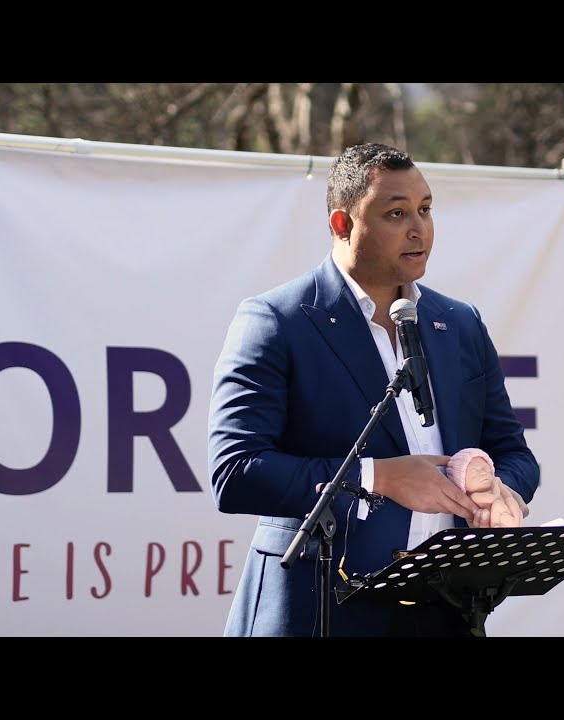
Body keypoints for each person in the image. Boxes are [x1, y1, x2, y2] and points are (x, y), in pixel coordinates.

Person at [208, 142, 540, 637]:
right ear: (342, 224)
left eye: (426, 210)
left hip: (446, 610)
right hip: (318, 609)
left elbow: (514, 452)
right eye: (396, 213)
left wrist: (503, 493)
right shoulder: (276, 321)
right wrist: (379, 477)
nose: (419, 229)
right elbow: (235, 473)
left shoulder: (461, 323)